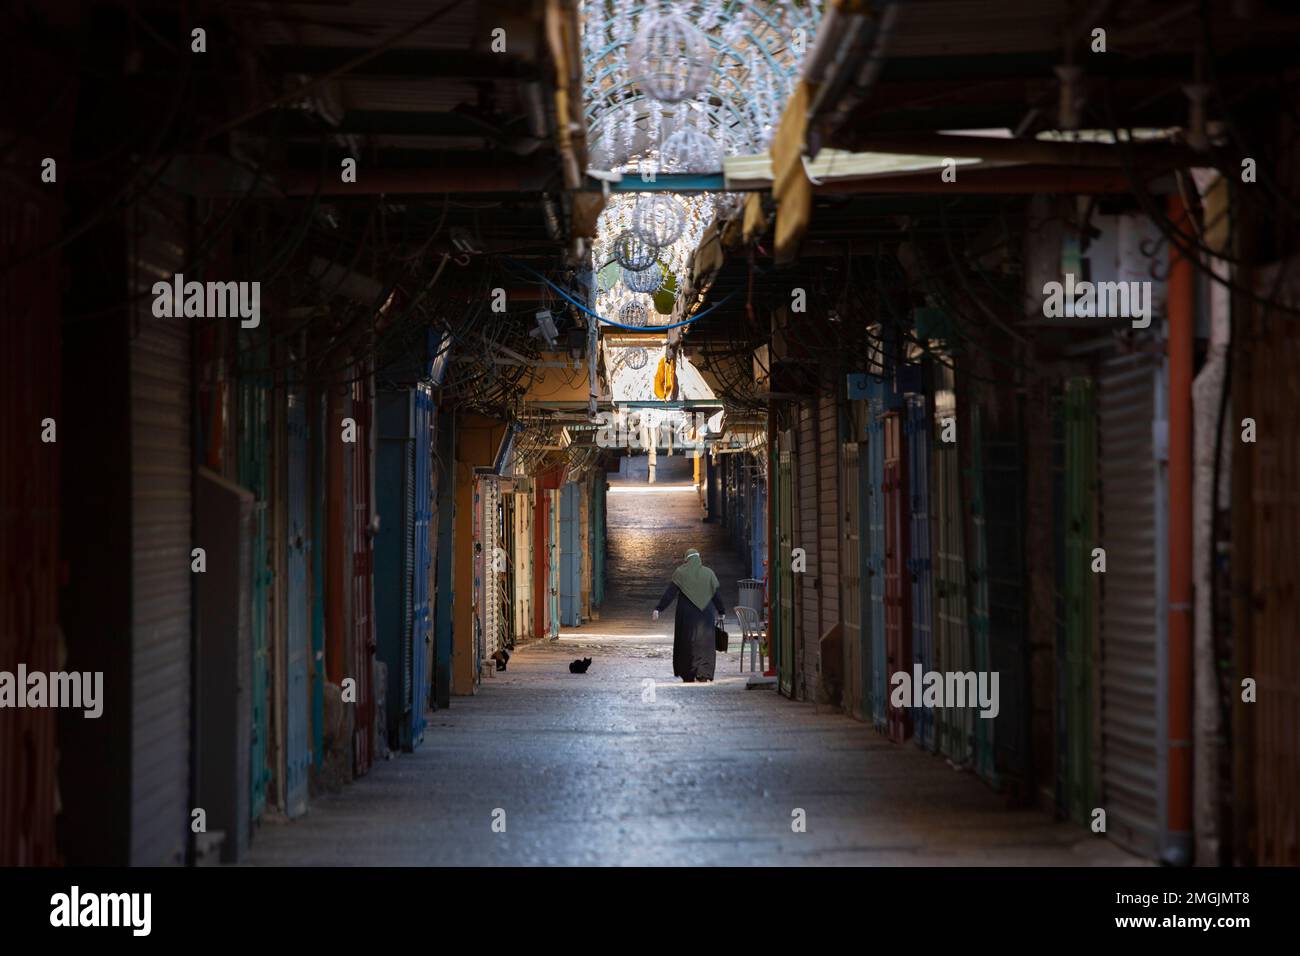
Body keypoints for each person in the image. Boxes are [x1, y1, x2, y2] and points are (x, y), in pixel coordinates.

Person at [653, 548, 726, 683]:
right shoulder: (708, 573)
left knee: (686, 642)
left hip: (686, 615)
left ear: (687, 559)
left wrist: (659, 608)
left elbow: (670, 593)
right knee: (705, 644)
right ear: (699, 559)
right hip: (706, 614)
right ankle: (704, 673)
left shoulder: (680, 572)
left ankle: (688, 673)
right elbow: (716, 595)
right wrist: (722, 611)